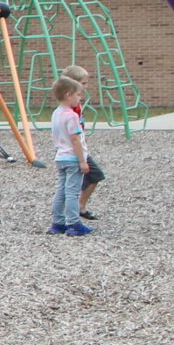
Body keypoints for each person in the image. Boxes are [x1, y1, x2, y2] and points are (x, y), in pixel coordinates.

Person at [59, 64, 106, 219]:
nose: (86, 87)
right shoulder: (70, 110)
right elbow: (73, 136)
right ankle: (74, 212)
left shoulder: (73, 106)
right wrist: (81, 158)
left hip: (76, 151)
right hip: (74, 153)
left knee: (72, 184)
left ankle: (73, 209)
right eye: (83, 83)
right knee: (93, 176)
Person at [47, 76, 91, 236]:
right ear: (69, 95)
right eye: (78, 95)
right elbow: (75, 139)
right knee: (72, 192)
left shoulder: (56, 113)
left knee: (61, 191)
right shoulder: (71, 116)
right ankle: (73, 222)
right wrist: (82, 161)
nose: (80, 98)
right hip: (73, 158)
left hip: (61, 157)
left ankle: (57, 222)